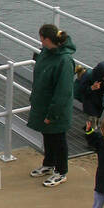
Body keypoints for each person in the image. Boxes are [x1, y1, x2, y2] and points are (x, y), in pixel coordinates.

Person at [27, 24, 77, 186]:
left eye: (41, 38)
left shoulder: (64, 60)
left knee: (58, 139)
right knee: (47, 135)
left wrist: (52, 114)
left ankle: (61, 171)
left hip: (55, 110)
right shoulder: (46, 53)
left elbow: (63, 91)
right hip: (44, 105)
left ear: (47, 39)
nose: (40, 41)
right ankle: (48, 164)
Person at [74, 61, 104, 134]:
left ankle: (89, 130)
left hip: (100, 101)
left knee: (96, 117)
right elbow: (81, 90)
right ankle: (90, 135)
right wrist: (92, 88)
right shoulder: (88, 76)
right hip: (89, 101)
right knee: (92, 118)